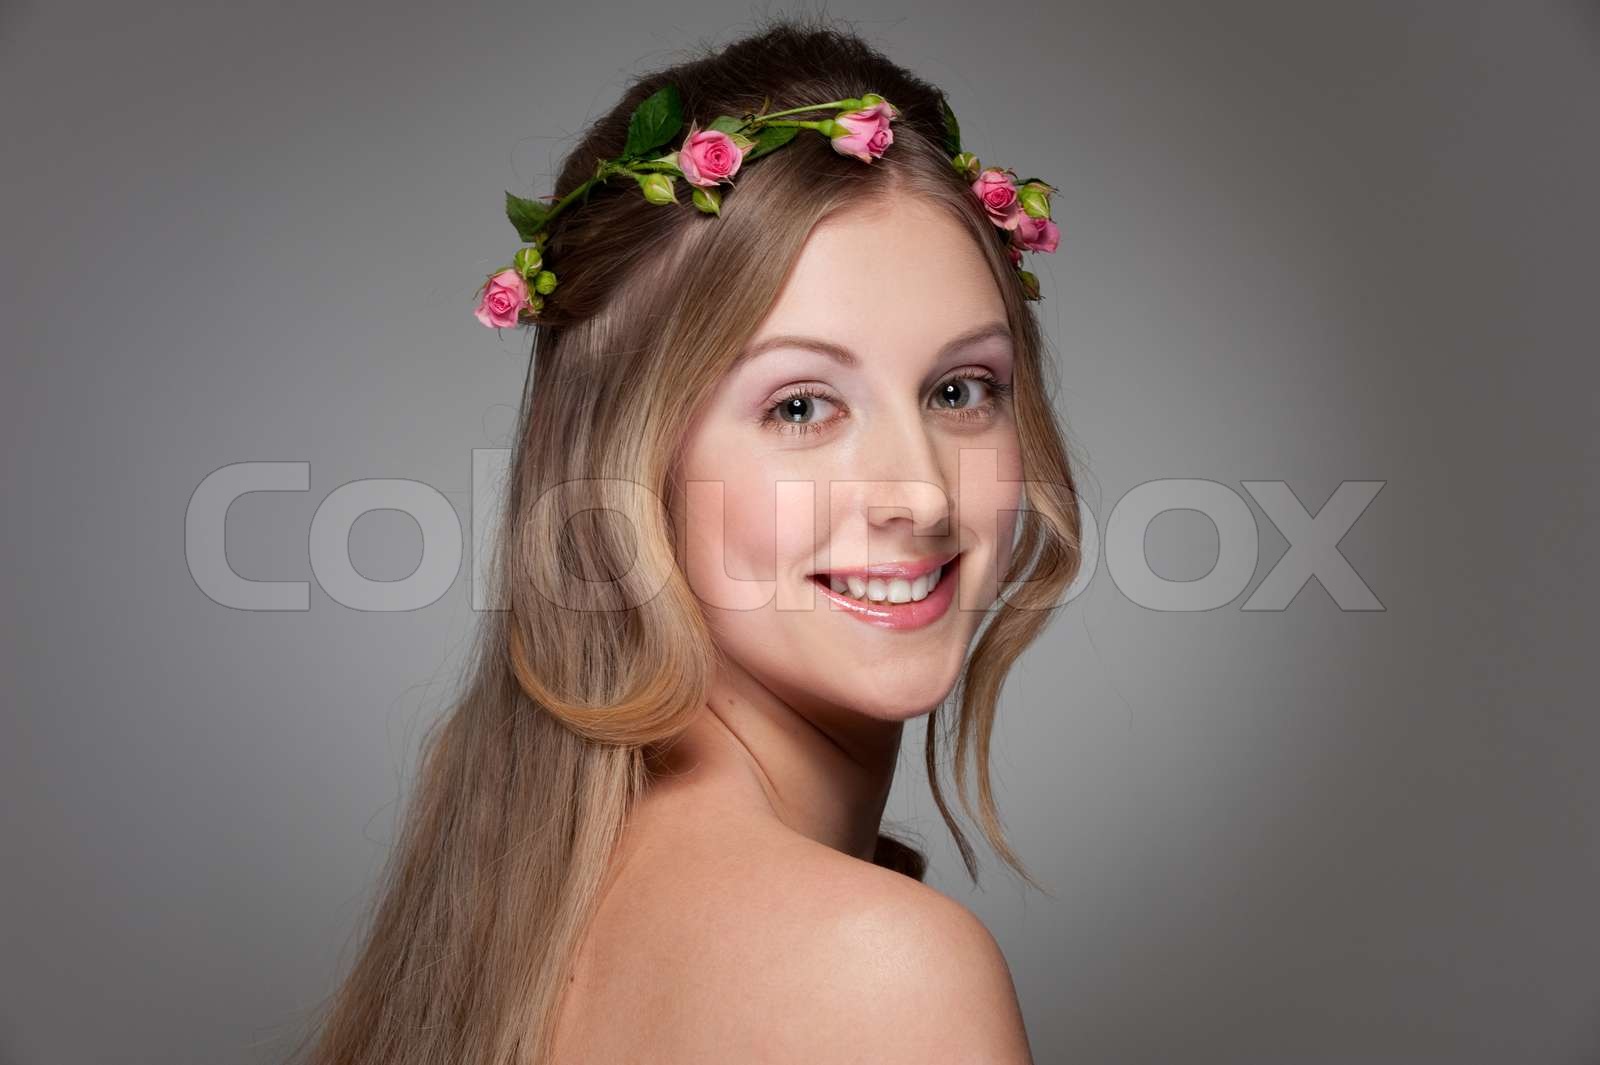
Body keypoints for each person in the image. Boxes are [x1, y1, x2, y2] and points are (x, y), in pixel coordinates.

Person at [295, 15, 1082, 1065]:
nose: (921, 496)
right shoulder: (874, 971)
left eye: (959, 390)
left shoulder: (525, 904)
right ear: (629, 467)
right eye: (801, 407)